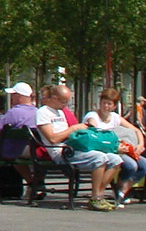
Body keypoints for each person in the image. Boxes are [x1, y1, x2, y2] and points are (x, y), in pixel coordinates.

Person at [33, 84, 121, 212]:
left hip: (72, 147)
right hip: (61, 151)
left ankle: (98, 195)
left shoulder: (60, 111)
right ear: (54, 98)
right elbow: (52, 139)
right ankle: (96, 198)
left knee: (115, 159)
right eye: (63, 101)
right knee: (100, 158)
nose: (66, 105)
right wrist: (73, 129)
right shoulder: (43, 112)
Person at [82, 88, 146, 204]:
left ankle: (122, 190)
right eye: (104, 103)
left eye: (109, 104)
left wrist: (140, 145)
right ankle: (114, 192)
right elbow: (95, 131)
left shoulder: (114, 117)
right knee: (131, 165)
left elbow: (137, 131)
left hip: (120, 149)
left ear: (114, 106)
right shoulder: (93, 115)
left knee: (145, 165)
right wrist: (116, 147)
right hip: (106, 150)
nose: (106, 106)